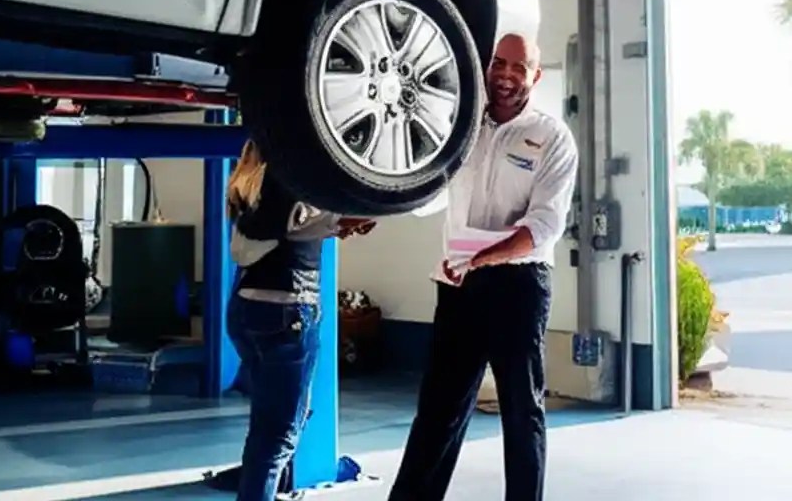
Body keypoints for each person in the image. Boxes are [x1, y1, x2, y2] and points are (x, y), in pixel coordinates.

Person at [389, 33, 579, 501]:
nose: (507, 75)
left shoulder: (551, 138)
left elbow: (545, 226)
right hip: (458, 284)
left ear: (536, 75)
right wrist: (372, 205)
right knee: (438, 410)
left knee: (521, 410)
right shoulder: (461, 127)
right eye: (499, 63)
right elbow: (426, 190)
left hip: (518, 286)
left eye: (520, 67)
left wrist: (485, 257)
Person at [225, 139, 375, 501]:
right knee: (278, 437)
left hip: (247, 310)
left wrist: (336, 225)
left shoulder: (248, 189)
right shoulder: (290, 180)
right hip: (288, 312)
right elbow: (300, 220)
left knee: (264, 431)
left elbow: (292, 227)